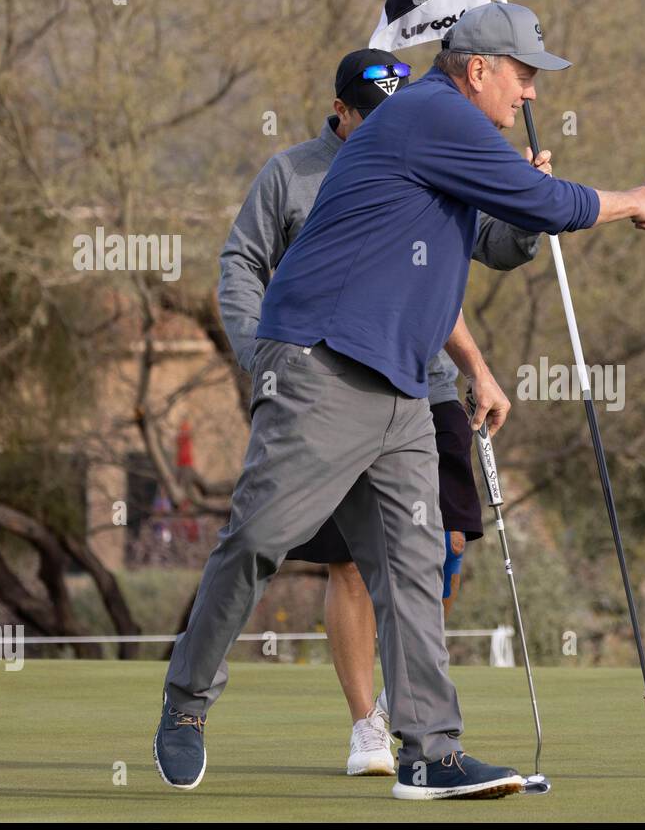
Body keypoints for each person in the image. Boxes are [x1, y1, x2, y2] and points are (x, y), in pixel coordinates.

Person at [154, 1, 645, 800]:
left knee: (412, 569)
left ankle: (429, 752)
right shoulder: (431, 113)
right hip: (322, 365)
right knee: (259, 540)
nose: (529, 95)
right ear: (477, 70)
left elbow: (506, 240)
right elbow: (557, 206)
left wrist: (530, 200)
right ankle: (185, 704)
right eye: (524, 77)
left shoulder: (455, 135)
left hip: (400, 383)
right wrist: (632, 199)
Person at [216, 47, 548, 778]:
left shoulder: (424, 145)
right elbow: (240, 265)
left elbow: (464, 260)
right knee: (345, 563)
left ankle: (424, 732)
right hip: (324, 380)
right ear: (341, 112)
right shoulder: (292, 174)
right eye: (372, 113)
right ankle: (371, 724)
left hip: (420, 381)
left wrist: (479, 367)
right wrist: (262, 356)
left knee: (436, 551)